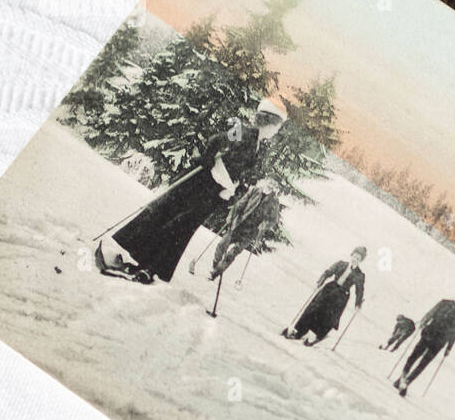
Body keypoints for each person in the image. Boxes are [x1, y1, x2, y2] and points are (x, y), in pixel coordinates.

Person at [95, 99, 287, 283]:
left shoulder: (256, 142)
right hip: (203, 185)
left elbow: (235, 166)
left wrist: (232, 187)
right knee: (176, 221)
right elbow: (216, 141)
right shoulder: (244, 132)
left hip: (215, 190)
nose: (276, 131)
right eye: (278, 126)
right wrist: (209, 162)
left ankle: (150, 266)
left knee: (182, 226)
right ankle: (147, 263)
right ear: (269, 122)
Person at [393, 286, 455, 396]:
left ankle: (406, 383)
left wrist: (449, 348)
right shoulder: (444, 303)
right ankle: (403, 378)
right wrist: (424, 321)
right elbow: (431, 313)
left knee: (423, 364)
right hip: (428, 334)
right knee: (412, 357)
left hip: (439, 342)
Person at [284, 247, 366, 346]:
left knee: (328, 317)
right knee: (313, 309)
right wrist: (321, 280)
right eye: (355, 256)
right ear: (351, 255)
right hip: (329, 289)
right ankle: (298, 331)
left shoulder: (359, 275)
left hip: (341, 296)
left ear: (361, 261)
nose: (355, 260)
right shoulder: (341, 264)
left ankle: (316, 337)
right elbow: (328, 272)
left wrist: (358, 304)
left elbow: (359, 290)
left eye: (358, 259)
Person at [207, 178, 282, 281]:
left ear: (274, 188)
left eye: (272, 186)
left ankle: (215, 273)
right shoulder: (255, 190)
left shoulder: (274, 202)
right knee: (221, 245)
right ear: (266, 182)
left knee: (233, 253)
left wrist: (263, 225)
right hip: (238, 225)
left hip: (250, 233)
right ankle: (215, 265)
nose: (269, 187)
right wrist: (230, 217)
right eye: (269, 183)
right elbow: (240, 204)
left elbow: (273, 219)